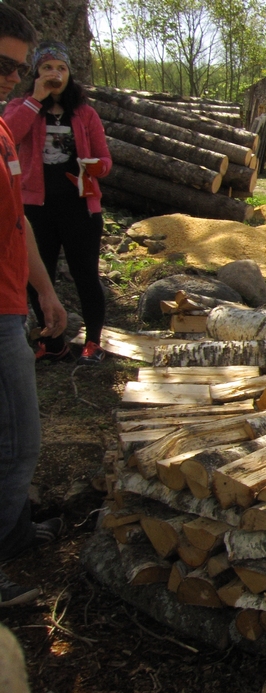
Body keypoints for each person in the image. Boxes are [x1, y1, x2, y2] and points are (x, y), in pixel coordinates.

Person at [0, 5, 66, 606]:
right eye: (2, 65)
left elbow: (17, 221)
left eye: (15, 72)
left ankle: (14, 530)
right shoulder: (11, 121)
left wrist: (43, 290)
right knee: (18, 442)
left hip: (8, 306)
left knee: (16, 437)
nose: (9, 78)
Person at [3, 38, 111, 364]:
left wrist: (93, 168)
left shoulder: (85, 113)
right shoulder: (20, 106)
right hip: (36, 208)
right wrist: (35, 100)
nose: (55, 73)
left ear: (69, 74)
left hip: (80, 208)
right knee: (39, 279)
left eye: (61, 68)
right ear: (35, 73)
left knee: (86, 275)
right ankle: (53, 343)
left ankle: (93, 342)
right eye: (47, 67)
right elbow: (7, 136)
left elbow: (105, 162)